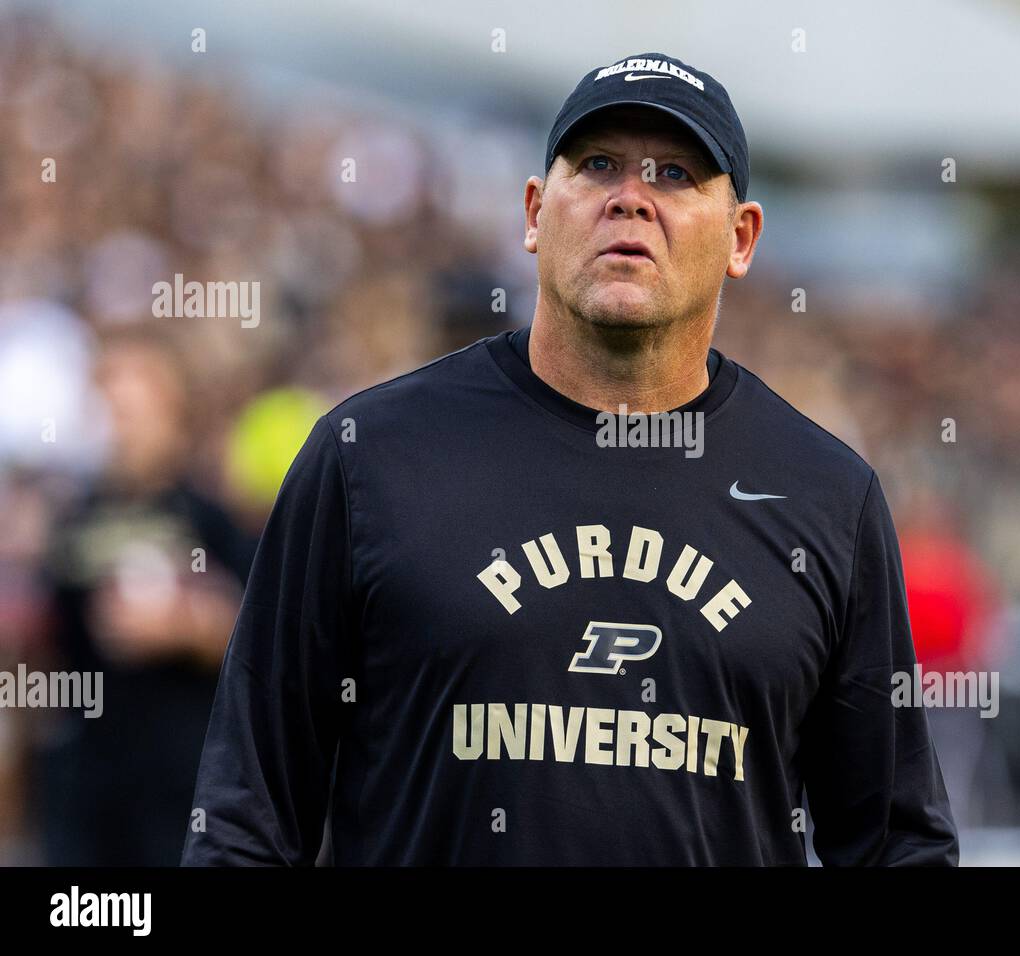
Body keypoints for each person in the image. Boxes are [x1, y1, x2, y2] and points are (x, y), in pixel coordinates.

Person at [182, 52, 958, 866]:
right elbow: (247, 820)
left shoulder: (826, 494)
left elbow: (894, 843)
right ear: (533, 213)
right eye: (596, 165)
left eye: (676, 173)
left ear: (742, 237)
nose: (631, 196)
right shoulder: (368, 457)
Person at [37, 329, 253, 865]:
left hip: (182, 784)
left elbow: (262, 641)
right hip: (91, 786)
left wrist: (191, 625)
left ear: (173, 413)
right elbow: (51, 647)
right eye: (111, 408)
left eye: (135, 410)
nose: (120, 427)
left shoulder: (211, 518)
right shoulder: (73, 522)